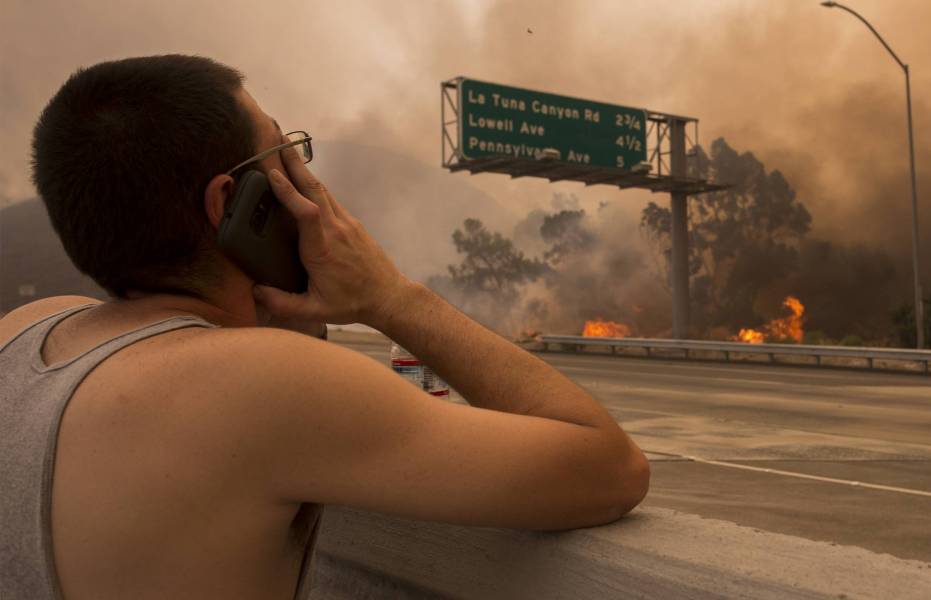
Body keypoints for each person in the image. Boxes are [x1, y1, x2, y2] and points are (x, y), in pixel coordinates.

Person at [0, 55, 650, 600]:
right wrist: (389, 295)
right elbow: (609, 468)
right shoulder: (262, 385)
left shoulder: (24, 331)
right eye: (284, 155)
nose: (307, 182)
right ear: (234, 204)